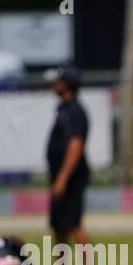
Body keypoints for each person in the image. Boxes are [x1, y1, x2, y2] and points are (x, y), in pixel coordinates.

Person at [45, 65, 91, 248]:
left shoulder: (74, 111)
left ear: (67, 84)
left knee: (73, 225)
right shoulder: (63, 109)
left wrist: (63, 178)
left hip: (70, 177)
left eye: (58, 81)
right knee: (58, 226)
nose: (54, 84)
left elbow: (75, 145)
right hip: (60, 175)